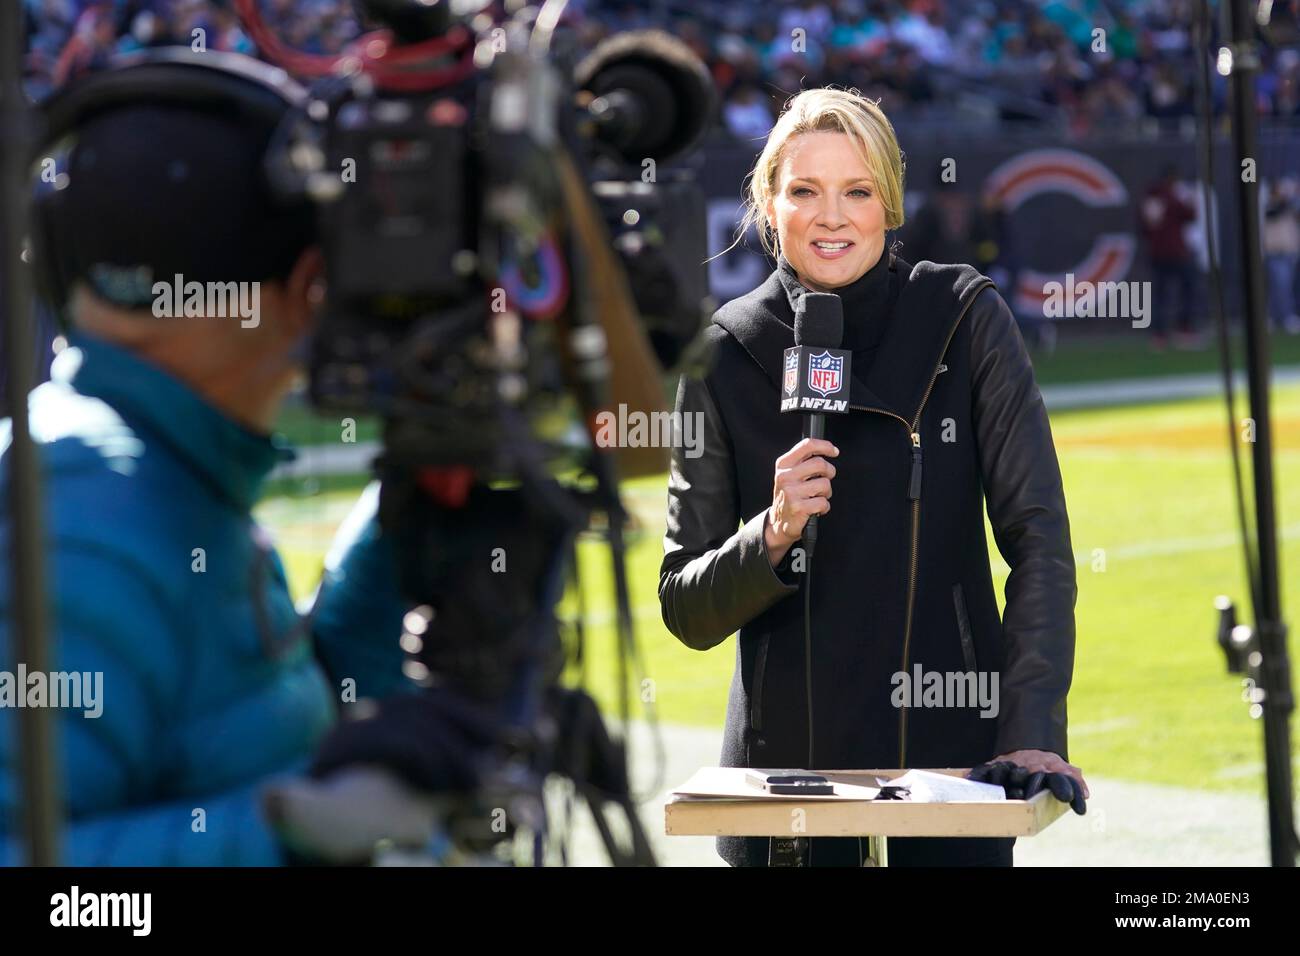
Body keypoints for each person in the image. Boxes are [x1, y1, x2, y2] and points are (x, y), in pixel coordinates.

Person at [0, 51, 418, 865]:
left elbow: (223, 725)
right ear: (308, 287)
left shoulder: (147, 471)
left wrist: (400, 530)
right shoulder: (81, 523)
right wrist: (292, 835)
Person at [659, 87, 1085, 867]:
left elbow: (1039, 540)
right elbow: (684, 604)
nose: (832, 216)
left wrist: (1030, 735)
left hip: (949, 773)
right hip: (781, 792)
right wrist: (771, 533)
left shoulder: (963, 314)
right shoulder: (721, 353)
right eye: (805, 191)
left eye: (856, 191)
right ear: (767, 203)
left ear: (888, 205)